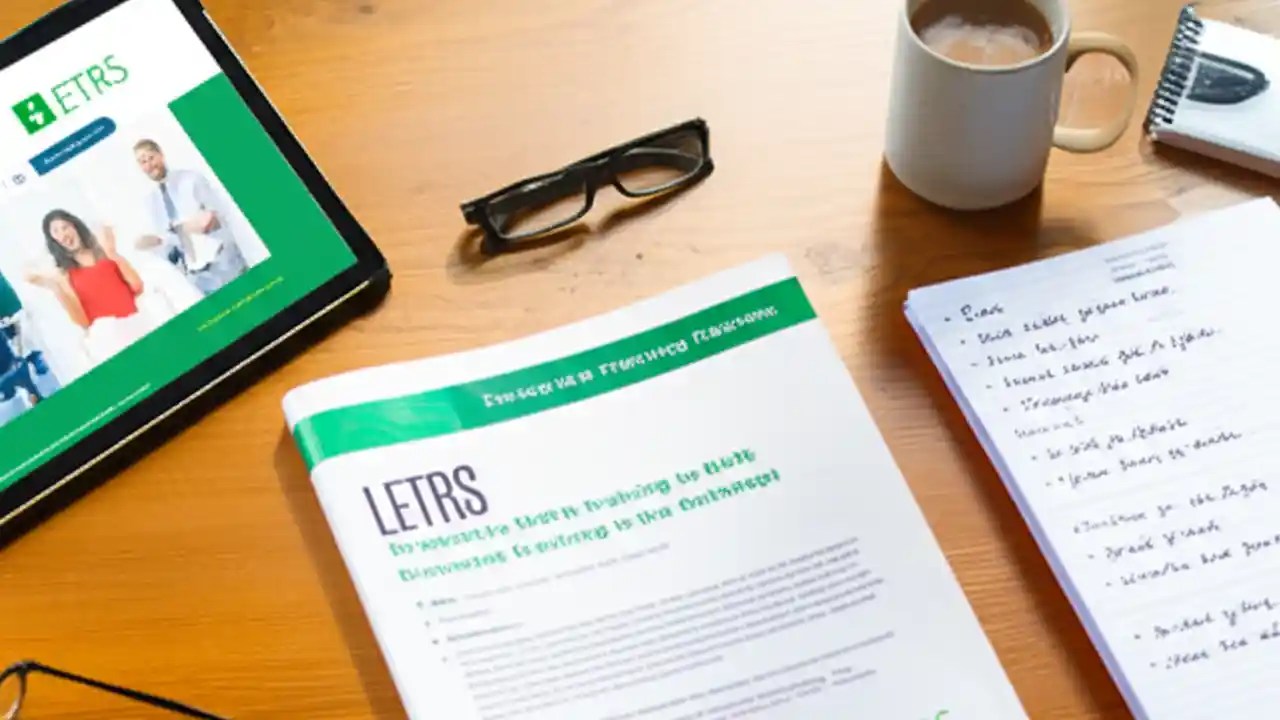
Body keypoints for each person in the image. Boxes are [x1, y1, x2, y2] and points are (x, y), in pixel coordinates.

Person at [26, 209, 150, 361]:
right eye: (56, 232)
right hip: (110, 338)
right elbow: (82, 321)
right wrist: (55, 287)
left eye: (65, 227)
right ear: (54, 241)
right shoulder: (65, 275)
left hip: (139, 324)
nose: (63, 234)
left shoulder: (104, 252)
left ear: (75, 227)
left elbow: (137, 286)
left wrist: (112, 253)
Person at [133, 138, 248, 296]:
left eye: (151, 157)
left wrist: (191, 226)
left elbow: (217, 213)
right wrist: (153, 243)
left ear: (161, 154)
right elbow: (168, 241)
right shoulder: (151, 202)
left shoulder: (190, 179)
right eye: (142, 162)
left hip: (224, 261)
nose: (148, 165)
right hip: (198, 276)